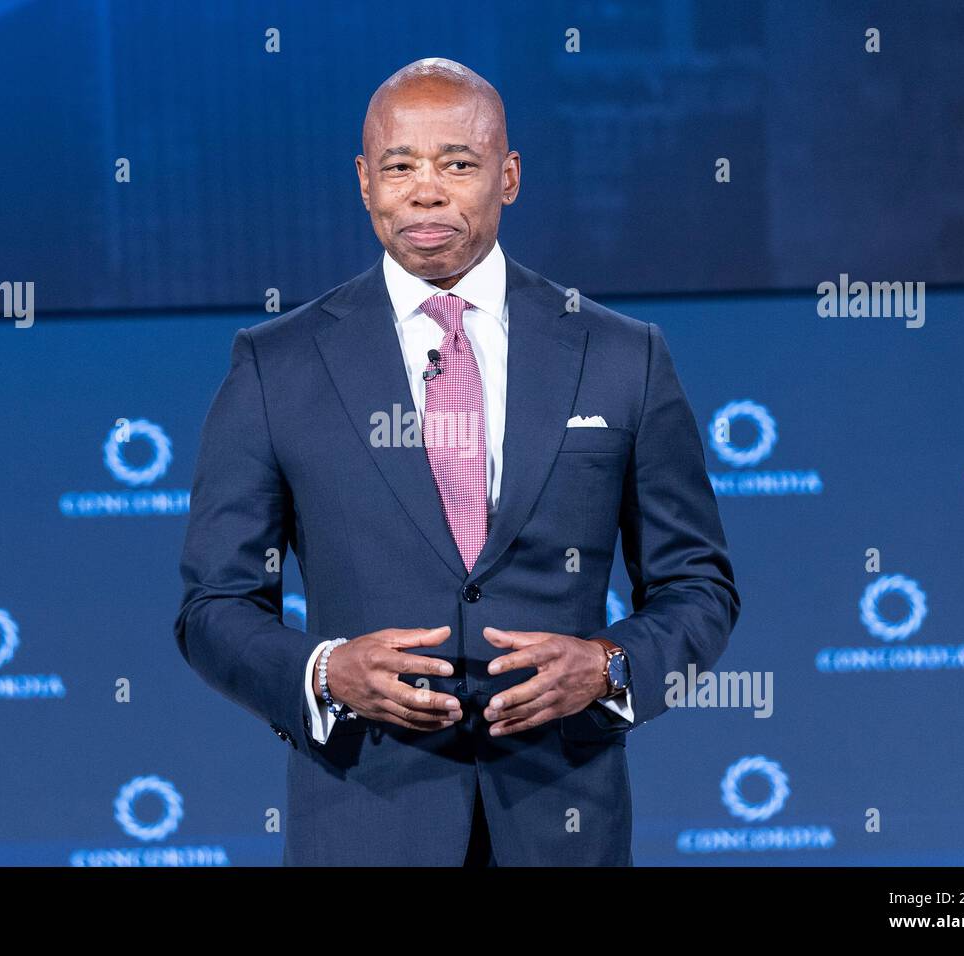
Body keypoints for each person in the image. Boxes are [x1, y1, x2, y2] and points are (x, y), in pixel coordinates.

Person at [174, 57, 739, 866]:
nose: (426, 192)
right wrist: (326, 672)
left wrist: (608, 668)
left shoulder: (622, 356)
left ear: (508, 177)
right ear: (365, 183)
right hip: (365, 822)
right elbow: (214, 608)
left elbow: (697, 586)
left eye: (458, 164)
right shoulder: (277, 365)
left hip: (563, 824)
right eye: (400, 166)